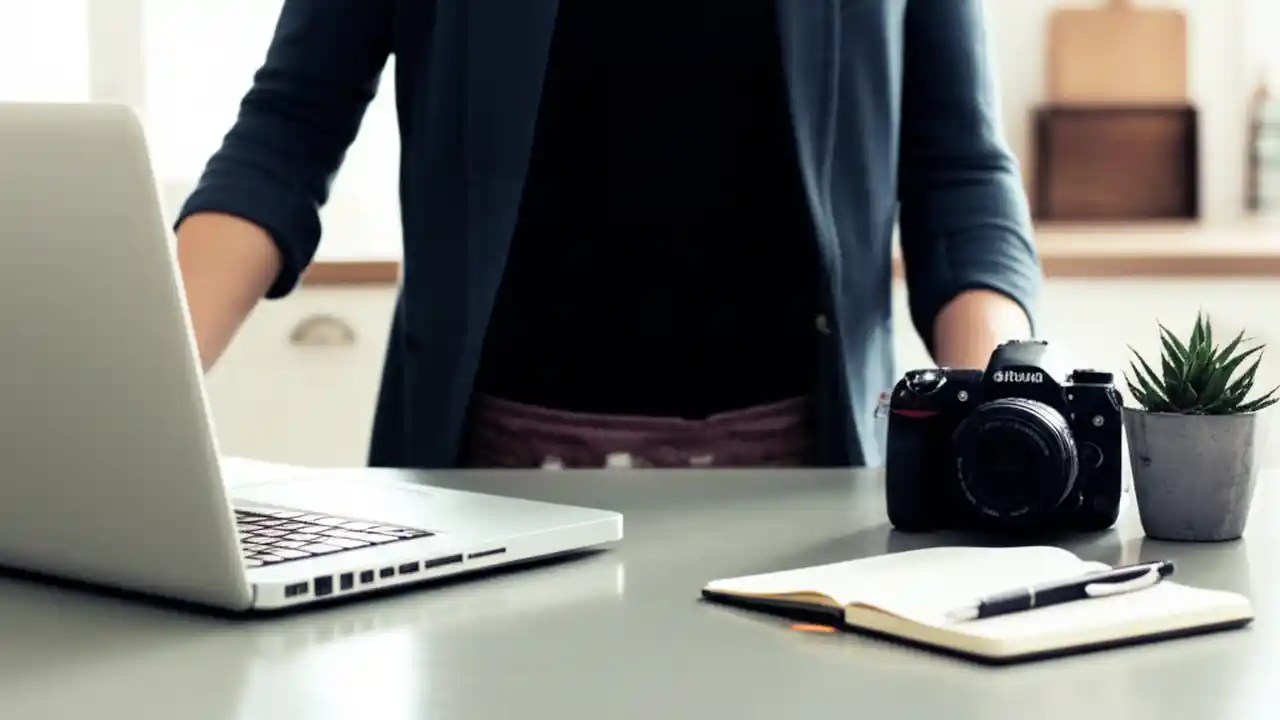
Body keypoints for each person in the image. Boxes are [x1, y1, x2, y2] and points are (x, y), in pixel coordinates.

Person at [175, 1, 1041, 471]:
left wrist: (1007, 409)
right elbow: (288, 134)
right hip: (491, 492)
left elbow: (957, 170)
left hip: (807, 498)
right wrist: (145, 383)